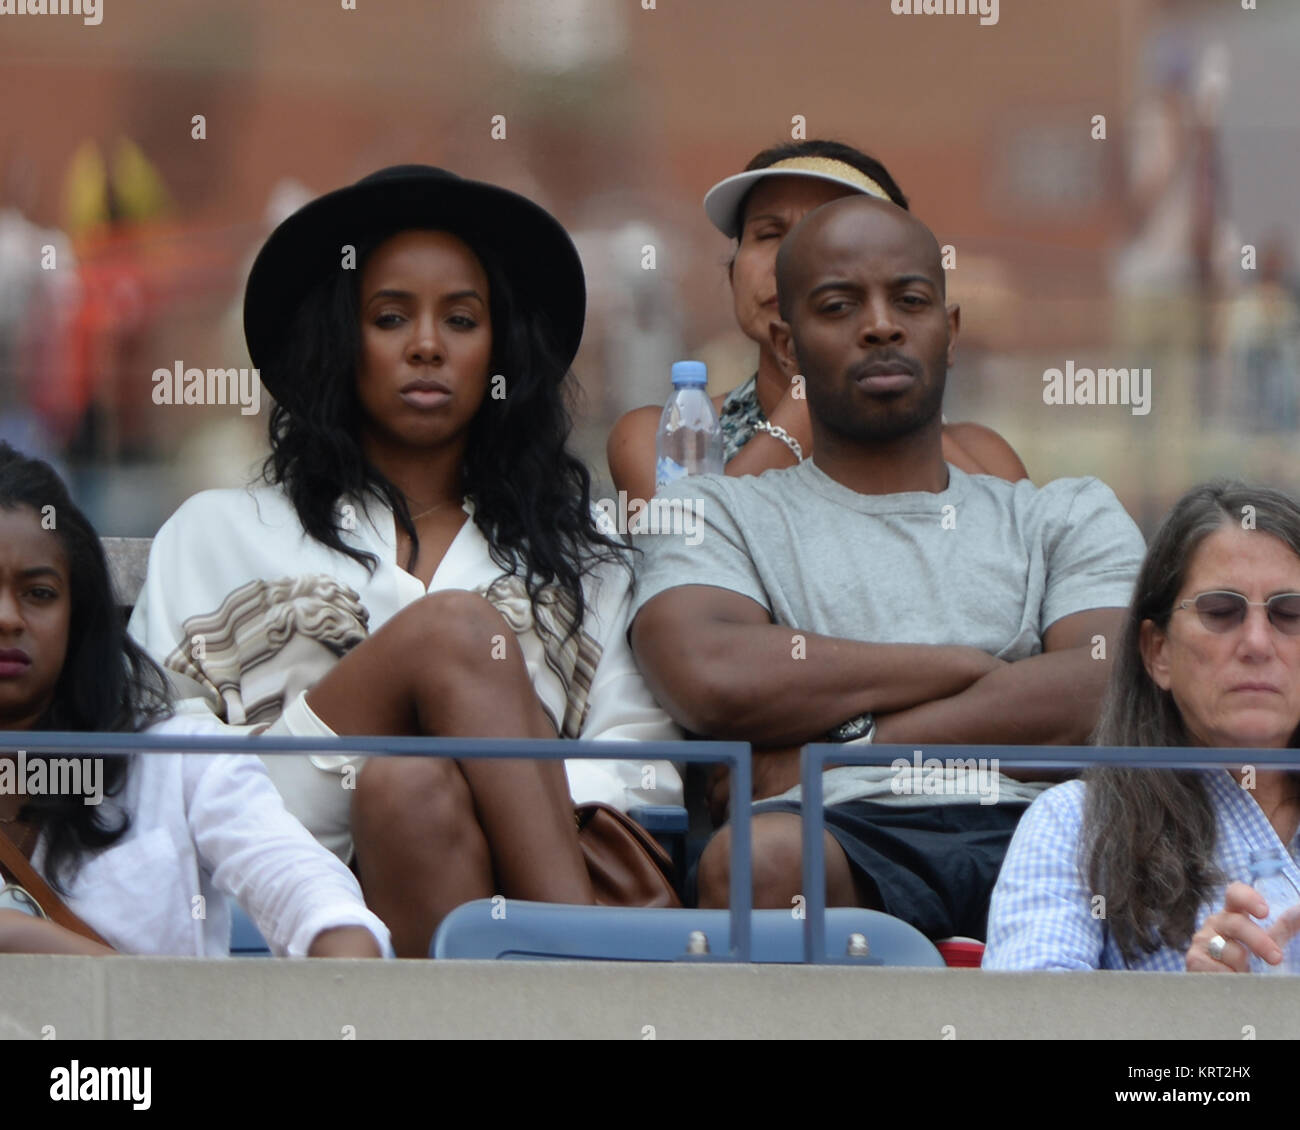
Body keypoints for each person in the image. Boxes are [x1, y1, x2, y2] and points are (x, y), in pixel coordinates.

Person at [128, 166, 682, 957]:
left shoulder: (584, 556)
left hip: (500, 875)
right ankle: (587, 979)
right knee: (450, 635)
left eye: (461, 320)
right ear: (342, 343)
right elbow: (161, 754)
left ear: (500, 348)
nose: (427, 345)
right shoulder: (217, 529)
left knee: (409, 784)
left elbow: (645, 769)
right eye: (390, 318)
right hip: (276, 854)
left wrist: (480, 784)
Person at [629, 193, 1146, 940]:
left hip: (1051, 823)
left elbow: (1111, 684)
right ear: (787, 345)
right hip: (835, 835)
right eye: (839, 306)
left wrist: (846, 751)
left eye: (910, 299)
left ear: (950, 330)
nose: (880, 325)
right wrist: (974, 666)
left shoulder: (1064, 514)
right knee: (757, 859)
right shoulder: (719, 512)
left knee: (1170, 852)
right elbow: (710, 674)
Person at [0, 443, 388, 957]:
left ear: (80, 615)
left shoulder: (177, 757)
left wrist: (343, 947)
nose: (8, 618)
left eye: (39, 593)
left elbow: (302, 888)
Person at [985, 482, 1300, 972]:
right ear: (1158, 652)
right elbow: (1027, 1025)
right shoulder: (1075, 827)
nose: (1258, 643)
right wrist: (1187, 1018)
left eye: (1290, 614)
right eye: (1221, 611)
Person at [607, 139, 1028, 502]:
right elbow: (687, 559)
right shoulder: (672, 438)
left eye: (829, 234)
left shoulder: (983, 457)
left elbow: (1012, 551)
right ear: (732, 273)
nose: (792, 263)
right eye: (770, 234)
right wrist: (812, 398)